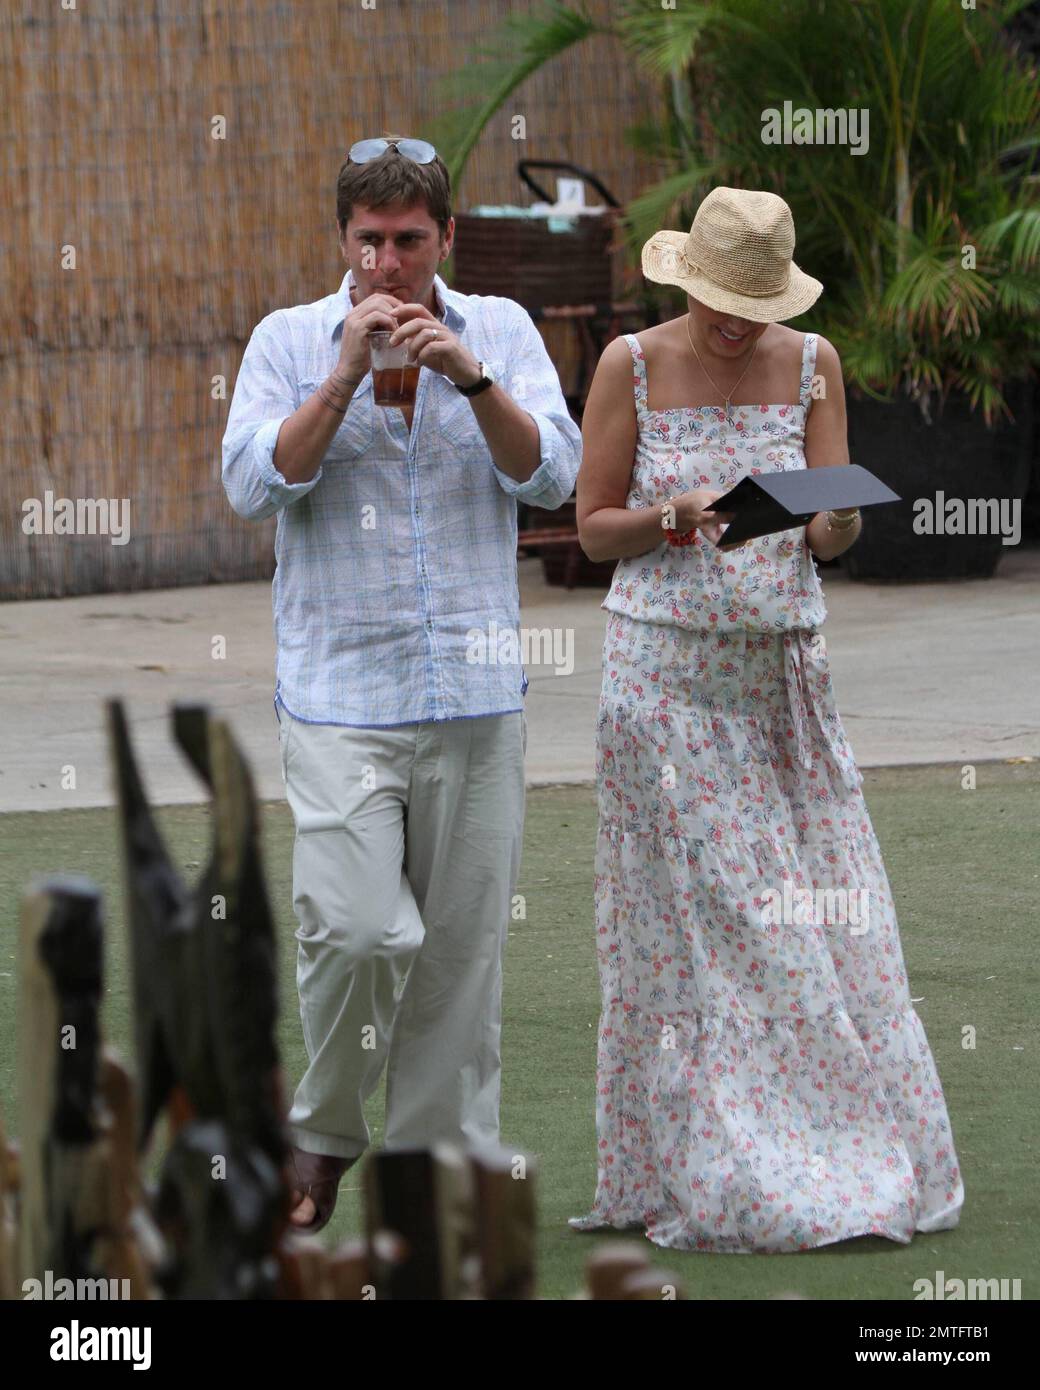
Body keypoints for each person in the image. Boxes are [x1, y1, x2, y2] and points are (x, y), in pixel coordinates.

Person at [570, 186, 963, 1253]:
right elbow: (591, 531)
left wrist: (833, 520)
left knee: (824, 919)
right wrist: (668, 516)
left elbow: (825, 534)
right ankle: (727, 1167)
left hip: (784, 678)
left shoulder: (814, 362)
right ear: (683, 277)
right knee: (722, 932)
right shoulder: (631, 364)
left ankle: (847, 1149)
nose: (733, 320)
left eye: (753, 302)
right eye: (716, 298)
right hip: (665, 684)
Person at [221, 135, 580, 1231]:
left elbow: (553, 474)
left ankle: (434, 1180)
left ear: (443, 241)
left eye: (407, 240)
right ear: (342, 241)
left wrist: (466, 377)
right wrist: (342, 375)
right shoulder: (288, 341)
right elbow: (250, 484)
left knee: (460, 958)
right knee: (362, 930)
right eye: (368, 240)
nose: (386, 263)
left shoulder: (502, 332)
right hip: (342, 697)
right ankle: (324, 1130)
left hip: (474, 697)